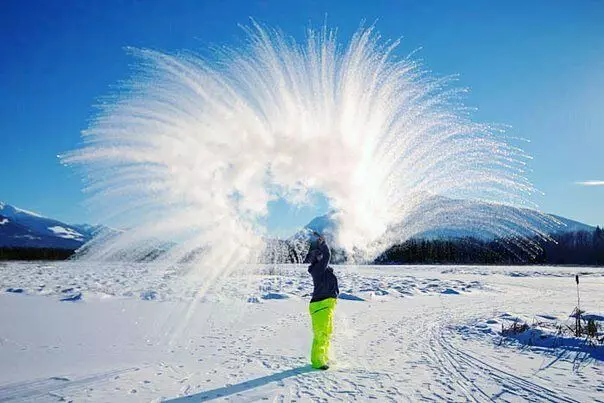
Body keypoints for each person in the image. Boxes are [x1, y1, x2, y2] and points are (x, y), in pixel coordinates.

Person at [307, 231, 339, 370]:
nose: (322, 256)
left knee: (326, 334)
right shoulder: (317, 270)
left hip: (326, 305)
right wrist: (323, 243)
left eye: (320, 254)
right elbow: (328, 255)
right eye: (319, 255)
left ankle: (324, 357)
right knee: (321, 335)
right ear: (316, 259)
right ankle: (318, 361)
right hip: (320, 306)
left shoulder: (324, 270)